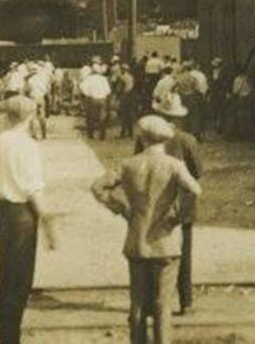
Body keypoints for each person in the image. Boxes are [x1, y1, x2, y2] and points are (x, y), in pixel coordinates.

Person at [91, 115, 202, 344]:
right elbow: (194, 190)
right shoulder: (174, 165)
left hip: (136, 240)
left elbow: (97, 187)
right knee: (163, 305)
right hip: (165, 241)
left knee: (138, 304)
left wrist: (121, 208)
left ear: (142, 137)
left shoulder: (128, 164)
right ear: (164, 139)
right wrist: (177, 216)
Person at [0, 95, 58, 344]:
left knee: (3, 278)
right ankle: (11, 340)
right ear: (30, 116)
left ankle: (4, 338)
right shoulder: (27, 146)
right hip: (22, 215)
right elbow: (33, 189)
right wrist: (49, 226)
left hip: (2, 211)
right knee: (19, 281)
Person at [79, 66, 111, 140]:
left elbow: (82, 88)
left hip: (93, 100)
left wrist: (87, 96)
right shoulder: (103, 79)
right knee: (102, 118)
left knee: (91, 118)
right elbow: (108, 91)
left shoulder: (89, 79)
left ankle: (91, 135)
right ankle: (102, 135)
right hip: (103, 99)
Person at [117, 64, 137, 139]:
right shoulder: (131, 77)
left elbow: (119, 88)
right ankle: (130, 133)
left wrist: (118, 96)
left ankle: (123, 132)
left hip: (125, 96)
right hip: (131, 96)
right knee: (129, 114)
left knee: (123, 115)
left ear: (123, 69)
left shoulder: (122, 77)